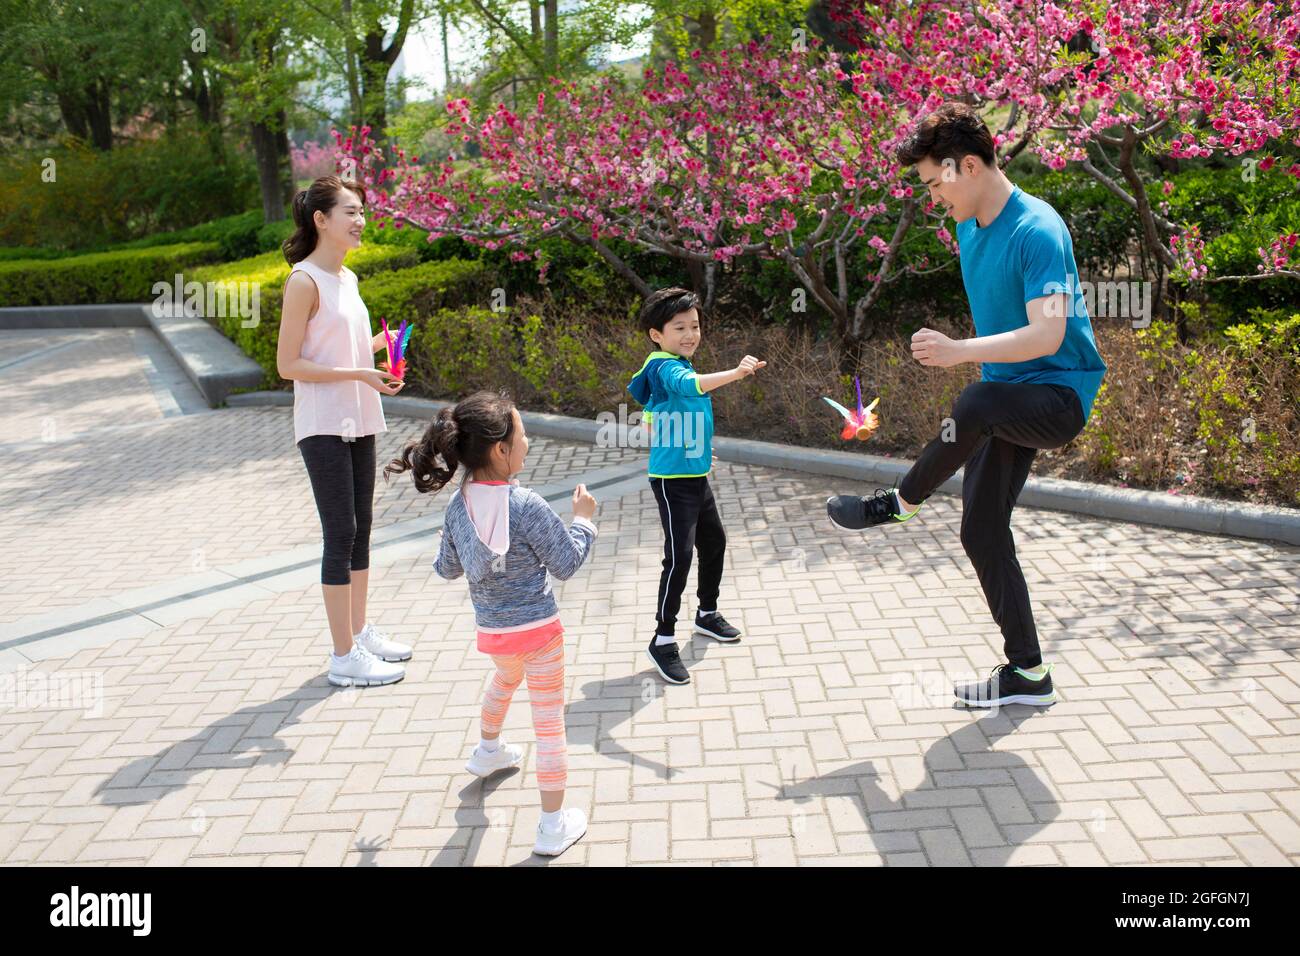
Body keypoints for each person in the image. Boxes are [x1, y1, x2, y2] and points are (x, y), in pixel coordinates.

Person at [827, 103, 1107, 708]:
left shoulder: (1039, 230)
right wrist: (973, 360)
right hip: (1003, 401)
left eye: (936, 183)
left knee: (976, 399)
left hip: (1057, 397)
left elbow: (1048, 335)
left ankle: (898, 502)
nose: (933, 198)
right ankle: (1028, 674)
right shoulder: (969, 230)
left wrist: (958, 351)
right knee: (981, 530)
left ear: (971, 167)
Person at [386, 391, 597, 857]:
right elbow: (565, 563)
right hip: (539, 634)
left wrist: (450, 538)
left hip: (494, 636)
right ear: (501, 449)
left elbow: (447, 569)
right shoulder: (527, 504)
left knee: (504, 681)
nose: (528, 443)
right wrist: (584, 522)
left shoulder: (457, 506)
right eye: (523, 435)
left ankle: (488, 751)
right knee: (549, 727)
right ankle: (551, 826)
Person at [276, 175, 411, 688]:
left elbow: (340, 348)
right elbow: (289, 364)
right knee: (340, 532)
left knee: (362, 529)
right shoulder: (303, 281)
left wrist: (382, 344)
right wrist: (359, 372)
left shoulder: (347, 278)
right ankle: (342, 657)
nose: (360, 220)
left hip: (360, 416)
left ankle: (358, 633)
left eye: (361, 211)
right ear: (321, 219)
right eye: (350, 212)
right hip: (323, 424)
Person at [627, 287, 765, 685]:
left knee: (715, 542)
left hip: (693, 475)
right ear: (657, 334)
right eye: (680, 327)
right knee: (680, 557)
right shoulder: (664, 366)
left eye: (695, 326)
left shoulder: (676, 363)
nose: (690, 334)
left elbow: (655, 419)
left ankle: (707, 614)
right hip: (673, 484)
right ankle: (663, 639)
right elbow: (691, 387)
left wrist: (695, 449)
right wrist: (736, 374)